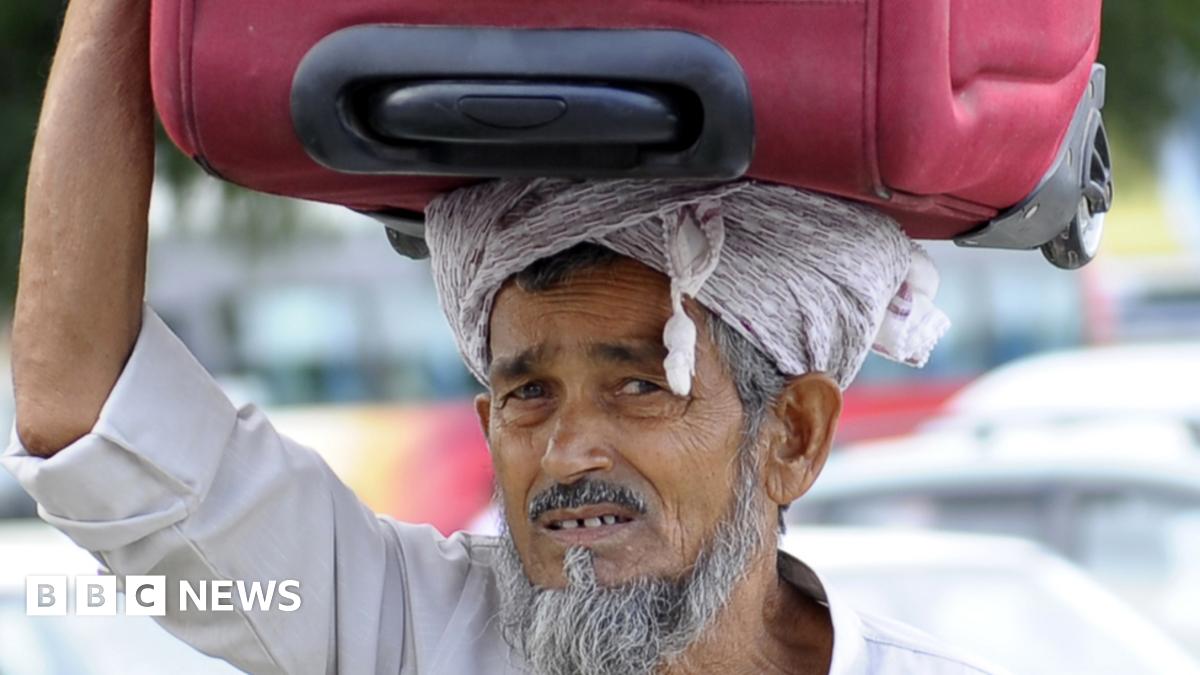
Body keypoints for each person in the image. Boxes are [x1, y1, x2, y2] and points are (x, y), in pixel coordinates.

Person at [2, 1, 1004, 674]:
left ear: (793, 438)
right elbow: (90, 420)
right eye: (529, 394)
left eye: (640, 387)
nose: (567, 453)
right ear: (487, 422)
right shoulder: (422, 632)